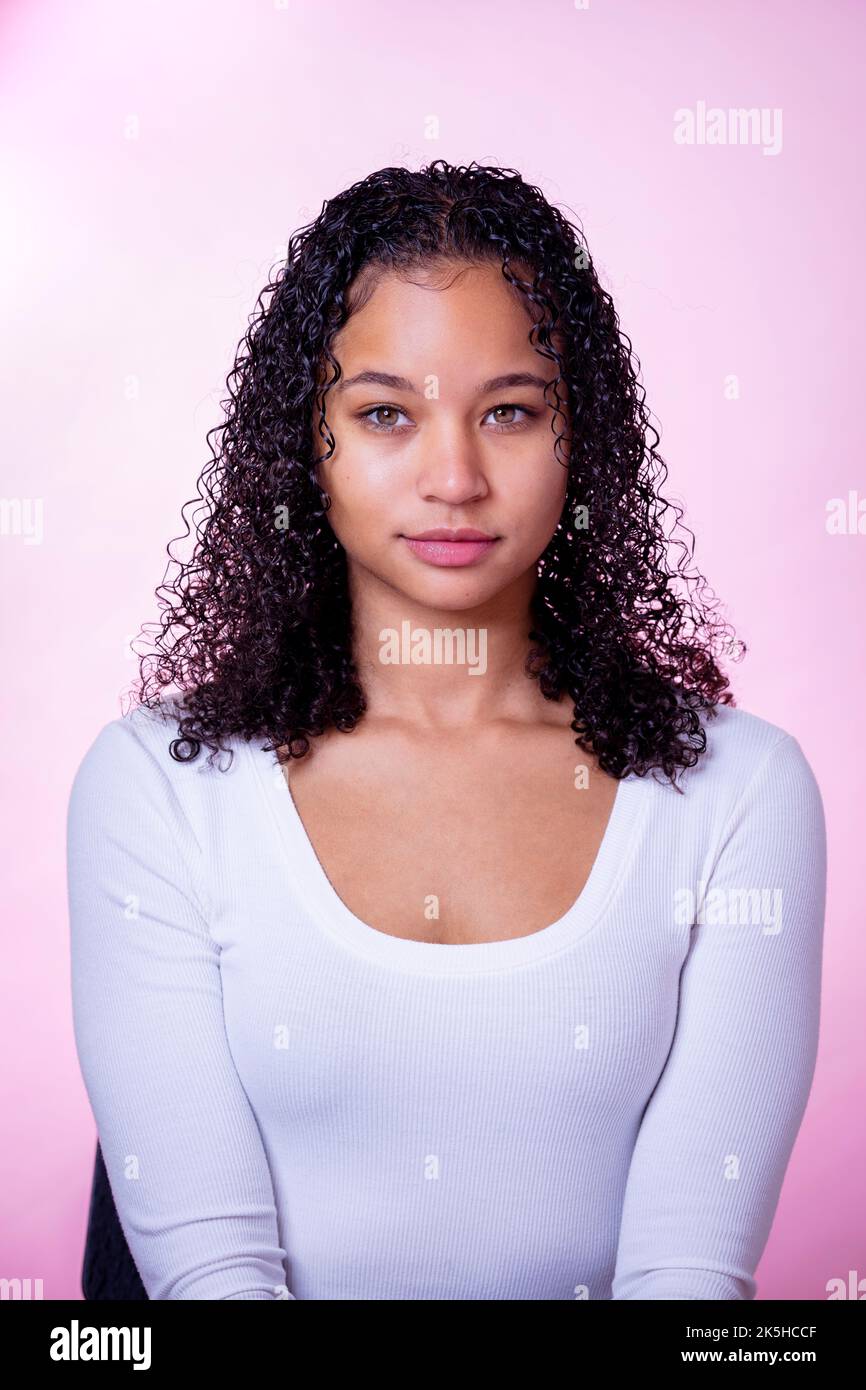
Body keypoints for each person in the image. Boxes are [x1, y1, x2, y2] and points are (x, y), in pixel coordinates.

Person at [67, 160, 826, 1300]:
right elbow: (210, 1281)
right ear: (302, 446)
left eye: (509, 410)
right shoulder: (157, 786)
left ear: (582, 443)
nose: (455, 476)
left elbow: (687, 1287)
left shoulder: (740, 789)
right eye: (384, 413)